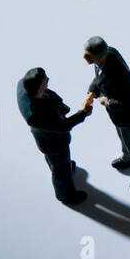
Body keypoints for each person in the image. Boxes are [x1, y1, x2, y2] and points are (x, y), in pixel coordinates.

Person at [83, 36, 130, 191]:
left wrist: (105, 101)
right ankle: (128, 158)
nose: (84, 58)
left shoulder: (118, 73)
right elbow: (98, 78)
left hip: (129, 114)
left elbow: (129, 101)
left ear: (100, 56)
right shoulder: (105, 57)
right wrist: (92, 92)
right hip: (118, 116)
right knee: (124, 138)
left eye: (89, 56)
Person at [16, 67, 92, 205]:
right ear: (37, 88)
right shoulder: (36, 114)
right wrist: (83, 113)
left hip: (47, 140)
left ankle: (64, 167)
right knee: (60, 168)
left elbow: (49, 100)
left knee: (57, 161)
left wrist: (61, 107)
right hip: (53, 142)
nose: (47, 83)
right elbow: (62, 126)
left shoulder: (24, 85)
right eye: (45, 82)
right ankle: (65, 195)